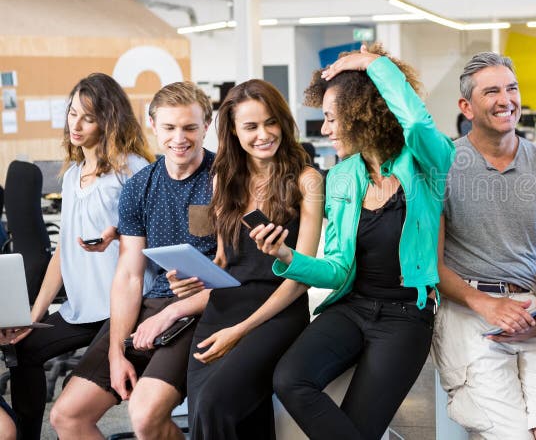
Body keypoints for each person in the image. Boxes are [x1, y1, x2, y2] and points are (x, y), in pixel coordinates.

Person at [257, 44, 455, 440]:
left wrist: (373, 64)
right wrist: (286, 255)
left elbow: (415, 123)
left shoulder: (426, 165)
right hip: (350, 309)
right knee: (289, 378)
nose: (325, 129)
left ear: (362, 112)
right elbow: (337, 269)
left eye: (331, 118)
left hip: (404, 317)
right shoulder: (342, 178)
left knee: (360, 429)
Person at [50, 81, 216, 440]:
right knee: (67, 416)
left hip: (204, 308)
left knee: (143, 416)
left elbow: (237, 264)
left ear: (207, 125)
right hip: (152, 303)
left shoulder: (225, 180)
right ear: (153, 126)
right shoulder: (139, 187)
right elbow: (128, 274)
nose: (179, 138)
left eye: (190, 127)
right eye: (169, 128)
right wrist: (116, 352)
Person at [433, 52, 536, 440]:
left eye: (511, 88)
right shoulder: (440, 164)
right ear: (466, 106)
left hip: (533, 308)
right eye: (492, 91)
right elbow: (433, 264)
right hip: (469, 310)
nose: (506, 100)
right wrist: (488, 305)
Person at [0, 73, 153, 439]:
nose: (77, 124)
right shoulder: (71, 176)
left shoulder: (132, 170)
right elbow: (61, 255)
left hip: (125, 307)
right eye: (72, 114)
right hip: (84, 307)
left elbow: (151, 244)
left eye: (88, 117)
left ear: (109, 119)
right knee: (25, 349)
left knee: (75, 396)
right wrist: (33, 316)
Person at [169, 79, 323, 439]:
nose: (264, 134)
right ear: (234, 133)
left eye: (271, 122)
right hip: (223, 307)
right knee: (214, 411)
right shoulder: (223, 176)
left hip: (277, 311)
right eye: (251, 127)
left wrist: (240, 331)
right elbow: (224, 260)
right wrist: (192, 280)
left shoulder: (307, 181)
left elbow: (302, 275)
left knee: (214, 406)